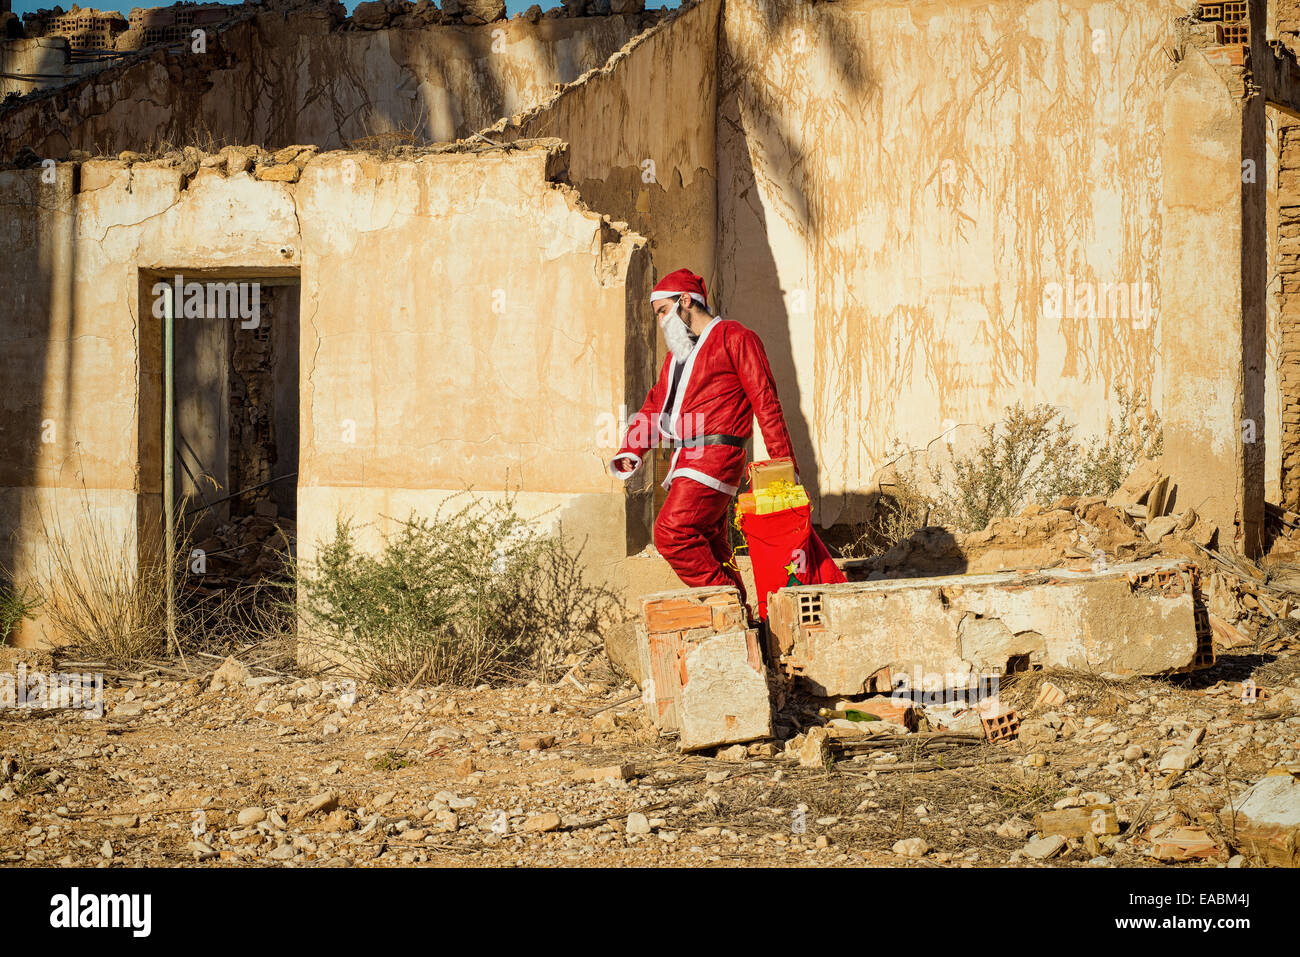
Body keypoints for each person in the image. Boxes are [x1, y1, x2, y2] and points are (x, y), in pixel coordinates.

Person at [609, 268, 800, 614]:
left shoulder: (736, 337)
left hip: (715, 459)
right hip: (688, 460)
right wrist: (631, 448)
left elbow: (766, 402)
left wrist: (784, 468)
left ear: (686, 301)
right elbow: (655, 406)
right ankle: (749, 621)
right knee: (713, 546)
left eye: (664, 311)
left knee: (671, 533)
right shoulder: (677, 357)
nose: (662, 322)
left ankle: (730, 607)